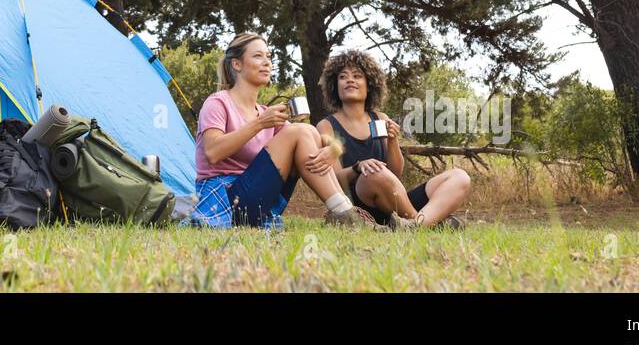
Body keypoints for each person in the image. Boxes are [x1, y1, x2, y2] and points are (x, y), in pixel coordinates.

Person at [191, 33, 377, 229]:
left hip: (254, 201)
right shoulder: (218, 103)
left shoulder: (263, 112)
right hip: (224, 200)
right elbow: (212, 152)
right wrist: (260, 124)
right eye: (258, 56)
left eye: (269, 57)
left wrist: (333, 149)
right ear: (237, 64)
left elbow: (311, 137)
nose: (267, 62)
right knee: (299, 131)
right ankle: (344, 214)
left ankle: (345, 212)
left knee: (307, 132)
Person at [317, 49, 469, 229]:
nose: (350, 80)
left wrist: (392, 141)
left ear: (369, 85)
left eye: (357, 76)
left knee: (460, 177)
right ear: (335, 86)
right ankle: (427, 224)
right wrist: (358, 167)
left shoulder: (380, 118)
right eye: (343, 77)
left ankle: (414, 225)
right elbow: (334, 179)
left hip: (395, 199)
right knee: (374, 172)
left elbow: (395, 173)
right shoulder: (327, 126)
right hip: (362, 205)